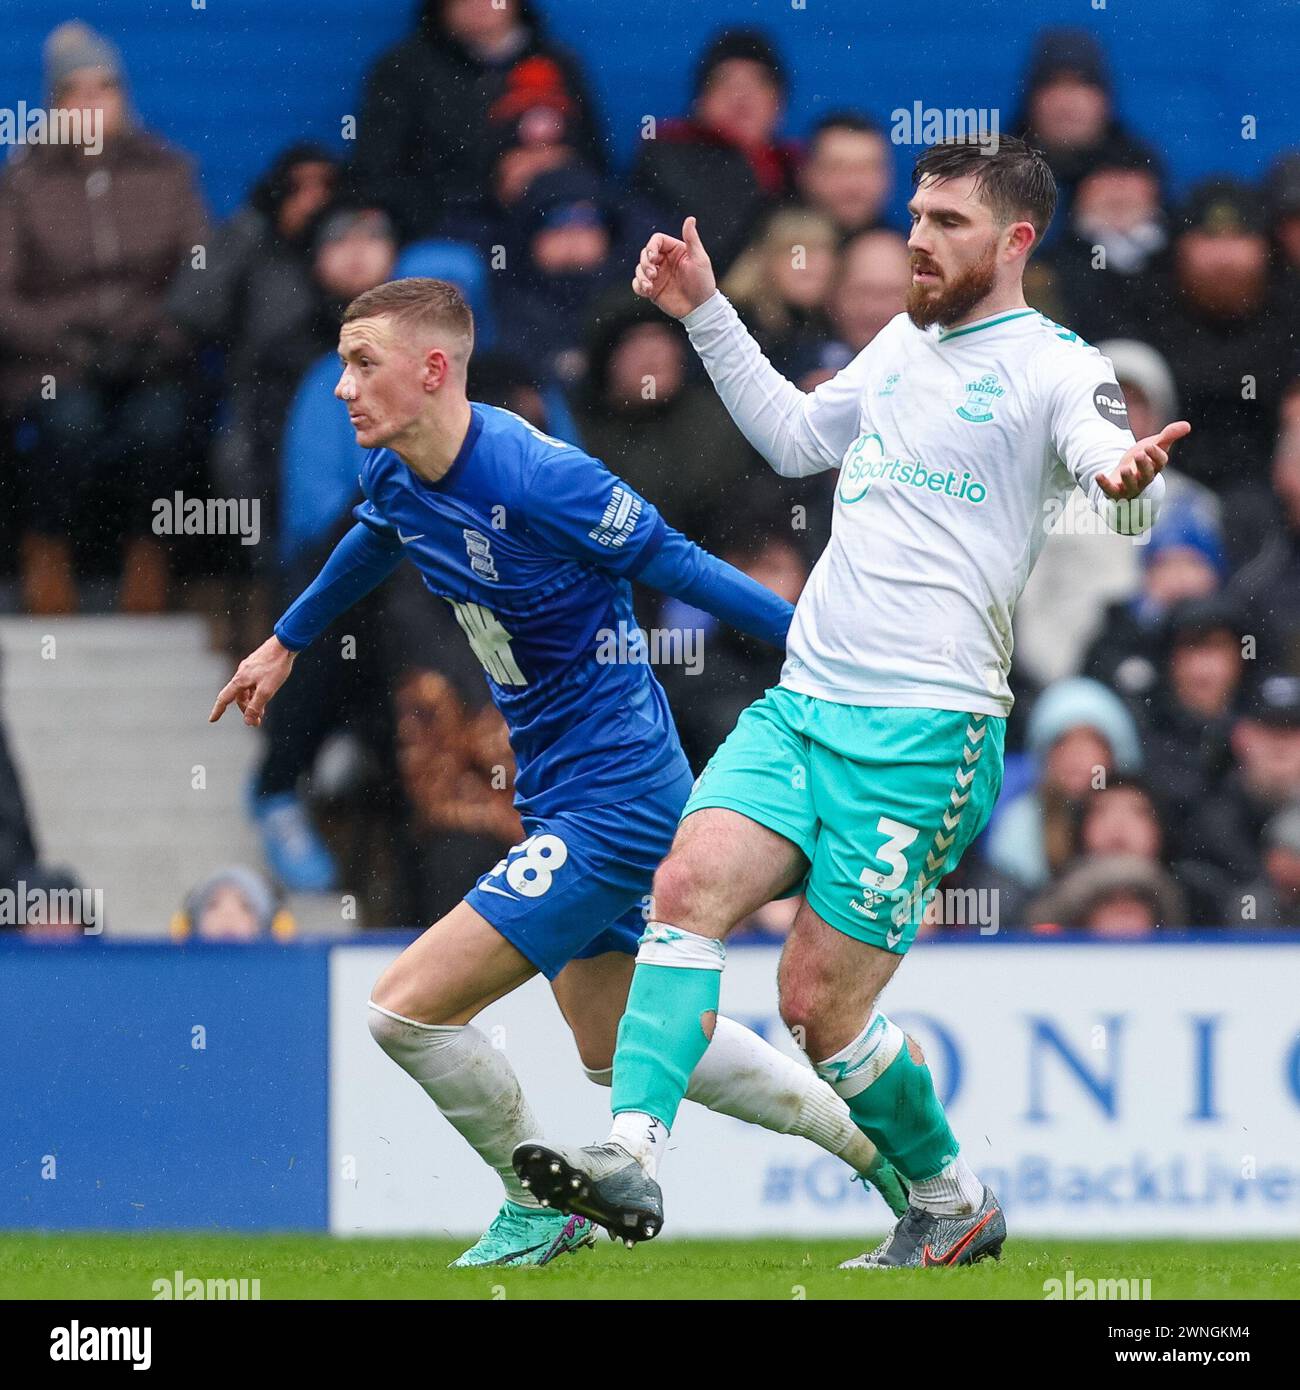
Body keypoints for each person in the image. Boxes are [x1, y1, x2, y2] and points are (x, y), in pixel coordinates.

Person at [514, 135, 1186, 1268]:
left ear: (1017, 240)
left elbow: (1113, 478)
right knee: (683, 887)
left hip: (927, 733)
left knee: (814, 1009)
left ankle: (950, 1197)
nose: (918, 238)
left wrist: (1124, 486)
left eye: (948, 223)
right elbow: (790, 438)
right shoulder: (902, 343)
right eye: (917, 215)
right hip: (802, 702)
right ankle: (630, 1153)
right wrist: (704, 310)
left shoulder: (1059, 366)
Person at [210, 276, 908, 1269]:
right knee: (614, 1045)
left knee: (404, 1009)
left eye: (362, 363)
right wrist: (286, 640)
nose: (340, 387)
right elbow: (376, 533)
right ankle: (882, 1154)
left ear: (433, 369)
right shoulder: (401, 471)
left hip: (617, 795)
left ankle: (538, 1205)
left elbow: (678, 562)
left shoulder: (539, 474)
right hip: (559, 790)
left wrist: (819, 654)